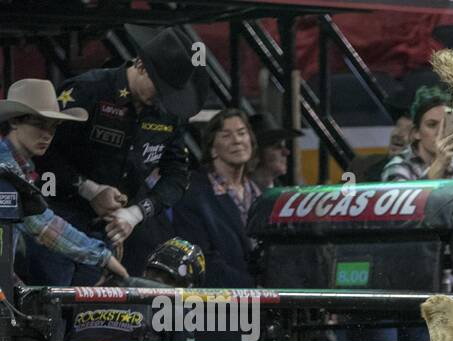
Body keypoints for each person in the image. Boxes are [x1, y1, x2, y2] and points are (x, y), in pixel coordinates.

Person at [28, 26, 205, 284]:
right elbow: (42, 151)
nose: (162, 99)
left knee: (91, 312)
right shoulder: (88, 90)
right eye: (160, 88)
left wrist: (136, 213)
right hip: (56, 217)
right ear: (142, 66)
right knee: (51, 309)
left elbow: (177, 175)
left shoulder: (168, 112)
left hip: (110, 230)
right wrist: (88, 189)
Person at [0, 79, 128, 284]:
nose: (47, 135)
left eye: (53, 127)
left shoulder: (16, 169)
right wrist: (102, 257)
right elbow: (42, 224)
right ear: (14, 121)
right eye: (39, 124)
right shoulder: (5, 170)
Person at [171, 109, 259, 288]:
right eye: (226, 136)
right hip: (219, 304)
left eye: (242, 133)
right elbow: (202, 260)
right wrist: (254, 288)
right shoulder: (193, 195)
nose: (237, 141)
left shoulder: (259, 194)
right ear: (212, 149)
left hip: (265, 302)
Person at [381, 85, 453, 182]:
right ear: (416, 132)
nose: (440, 132)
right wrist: (440, 163)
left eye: (444, 125)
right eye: (432, 125)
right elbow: (414, 197)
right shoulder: (396, 167)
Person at [248, 113, 301, 190]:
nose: (286, 152)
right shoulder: (237, 195)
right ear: (256, 153)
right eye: (277, 146)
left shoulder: (282, 192)